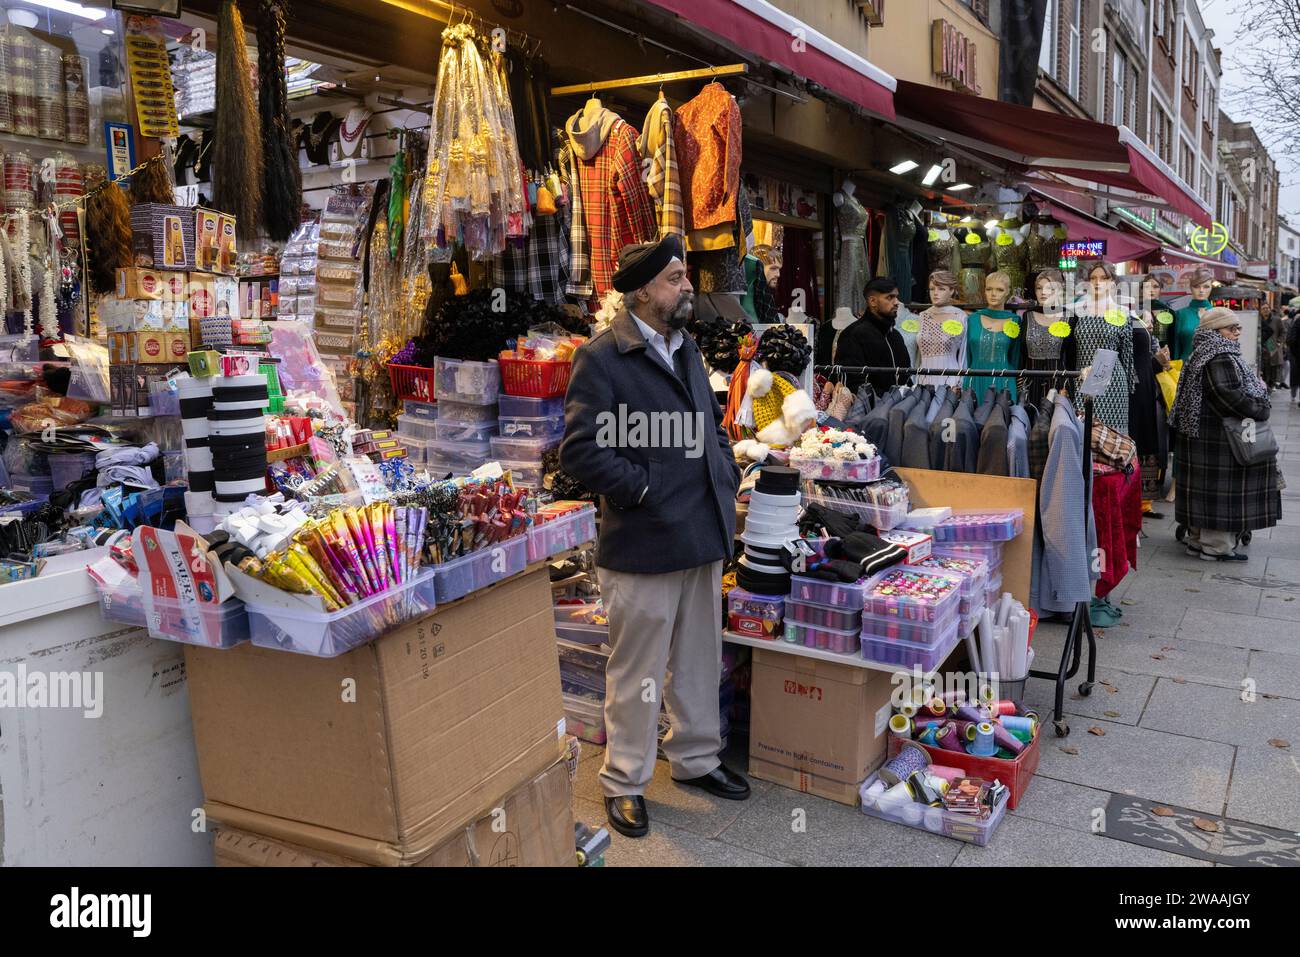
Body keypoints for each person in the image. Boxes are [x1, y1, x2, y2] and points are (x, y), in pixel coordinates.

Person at [560, 235, 749, 840]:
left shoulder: (686, 348)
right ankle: (624, 782)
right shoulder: (603, 358)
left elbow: (709, 426)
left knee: (697, 661)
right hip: (642, 541)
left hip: (700, 532)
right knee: (638, 672)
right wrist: (644, 490)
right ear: (643, 290)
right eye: (675, 278)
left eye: (684, 276)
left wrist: (725, 470)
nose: (687, 286)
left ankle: (695, 760)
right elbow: (582, 453)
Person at [1170, 307, 1281, 562]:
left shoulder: (1202, 352)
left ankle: (1197, 542)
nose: (1237, 332)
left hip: (1201, 433)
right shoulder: (1219, 355)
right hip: (1220, 437)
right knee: (1219, 493)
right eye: (1232, 328)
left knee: (1203, 490)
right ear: (1215, 331)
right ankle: (1216, 547)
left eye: (1238, 327)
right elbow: (1227, 395)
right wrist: (1259, 409)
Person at [833, 276, 911, 395]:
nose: (896, 302)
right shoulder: (853, 335)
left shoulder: (895, 336)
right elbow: (852, 384)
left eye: (896, 296)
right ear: (873, 301)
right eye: (890, 297)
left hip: (902, 408)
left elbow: (906, 377)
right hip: (870, 410)